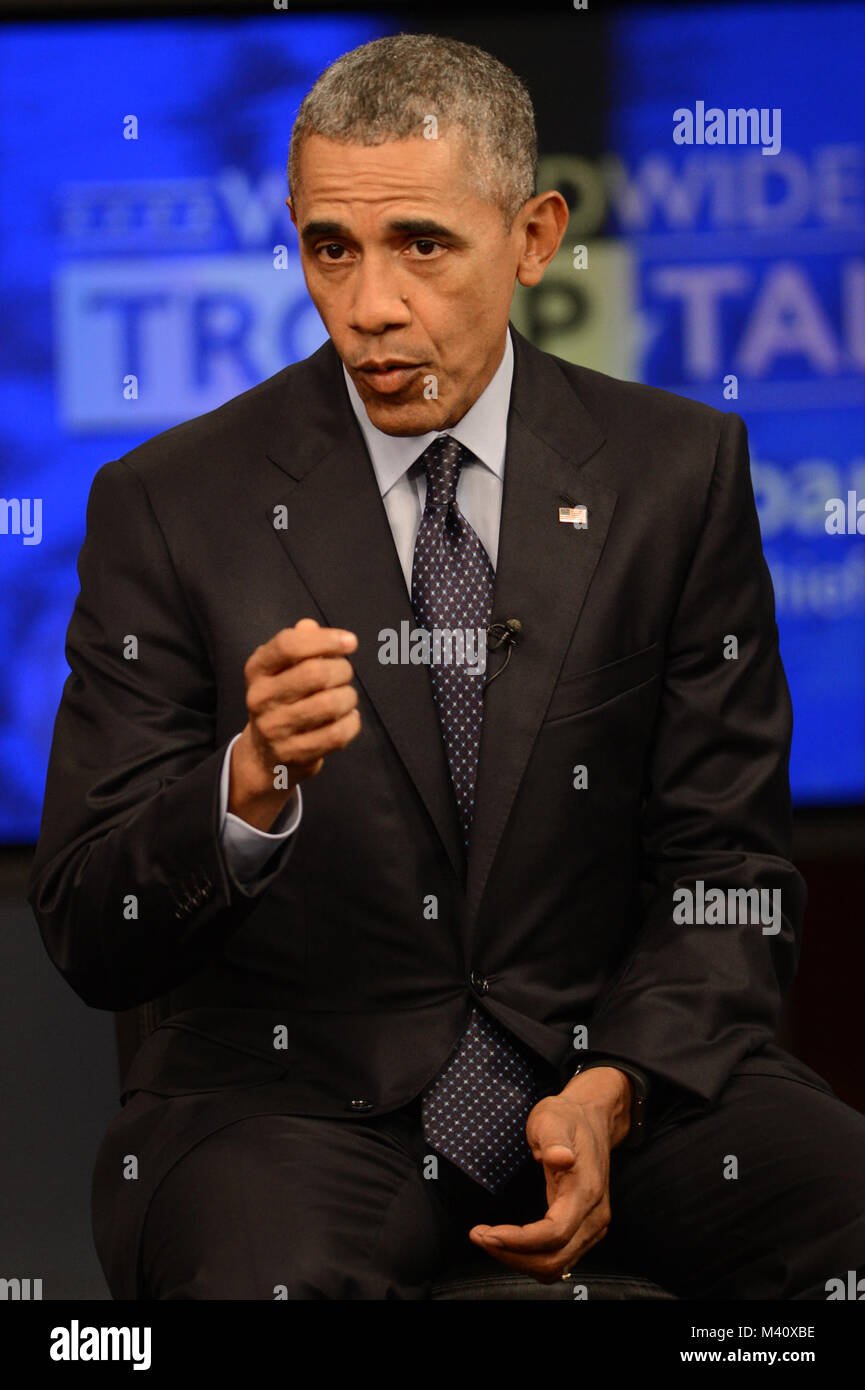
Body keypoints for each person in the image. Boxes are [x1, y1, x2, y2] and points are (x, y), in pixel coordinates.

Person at [28, 33, 865, 1301]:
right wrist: (245, 788)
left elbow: (728, 871)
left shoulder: (673, 477)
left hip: (611, 1084)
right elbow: (93, 920)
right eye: (330, 248)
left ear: (532, 237)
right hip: (292, 1107)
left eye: (422, 243)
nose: (370, 304)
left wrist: (614, 1086)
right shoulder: (168, 505)